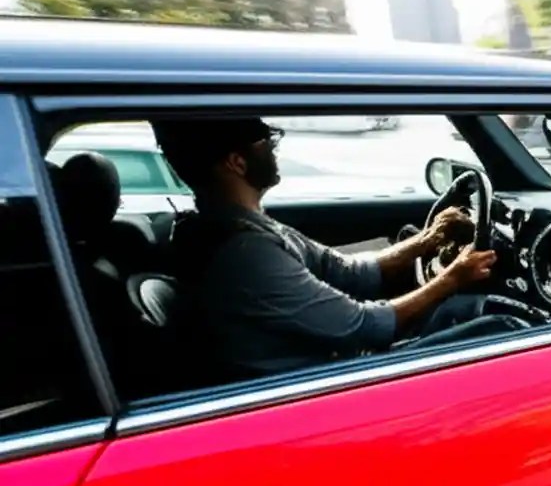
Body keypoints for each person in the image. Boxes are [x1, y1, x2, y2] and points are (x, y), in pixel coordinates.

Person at [151, 117, 520, 381]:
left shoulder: (237, 226)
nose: (276, 148)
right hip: (320, 385)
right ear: (237, 162)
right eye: (269, 140)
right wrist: (453, 278)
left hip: (325, 363)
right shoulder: (244, 251)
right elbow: (362, 326)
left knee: (461, 311)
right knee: (504, 326)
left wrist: (427, 240)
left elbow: (348, 273)